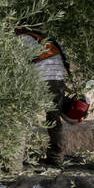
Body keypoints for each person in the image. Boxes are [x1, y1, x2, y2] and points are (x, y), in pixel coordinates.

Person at [16, 25, 68, 167]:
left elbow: (18, 65)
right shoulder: (46, 38)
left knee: (22, 117)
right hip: (58, 78)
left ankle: (15, 162)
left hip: (40, 79)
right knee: (53, 117)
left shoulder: (23, 38)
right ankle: (56, 158)